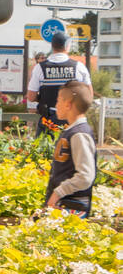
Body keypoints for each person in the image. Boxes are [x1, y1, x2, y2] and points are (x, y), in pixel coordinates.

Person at [45, 80, 96, 216]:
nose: (56, 106)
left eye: (58, 101)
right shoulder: (72, 131)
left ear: (68, 104)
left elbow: (85, 176)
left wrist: (58, 193)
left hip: (72, 207)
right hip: (64, 204)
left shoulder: (79, 134)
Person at [26, 33, 89, 135]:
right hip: (72, 120)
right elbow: (88, 95)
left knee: (44, 149)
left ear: (52, 46)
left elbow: (31, 96)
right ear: (67, 46)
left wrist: (42, 98)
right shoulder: (79, 67)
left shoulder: (40, 68)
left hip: (49, 120)